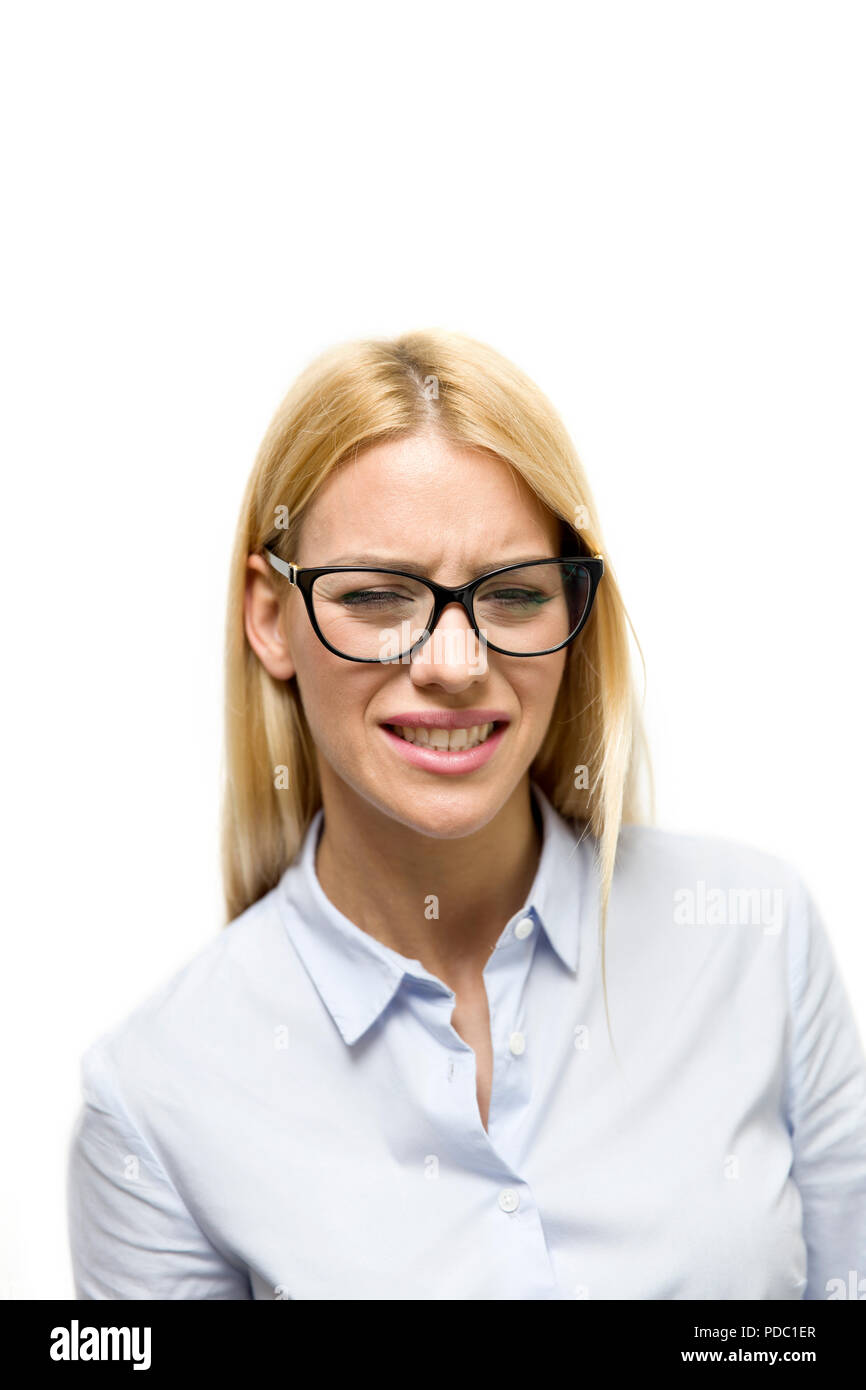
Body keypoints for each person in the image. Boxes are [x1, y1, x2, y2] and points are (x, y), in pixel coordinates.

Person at [67, 329, 866, 1299]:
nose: (452, 665)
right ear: (271, 620)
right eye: (375, 594)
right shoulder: (154, 1102)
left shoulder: (755, 938)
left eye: (514, 593)